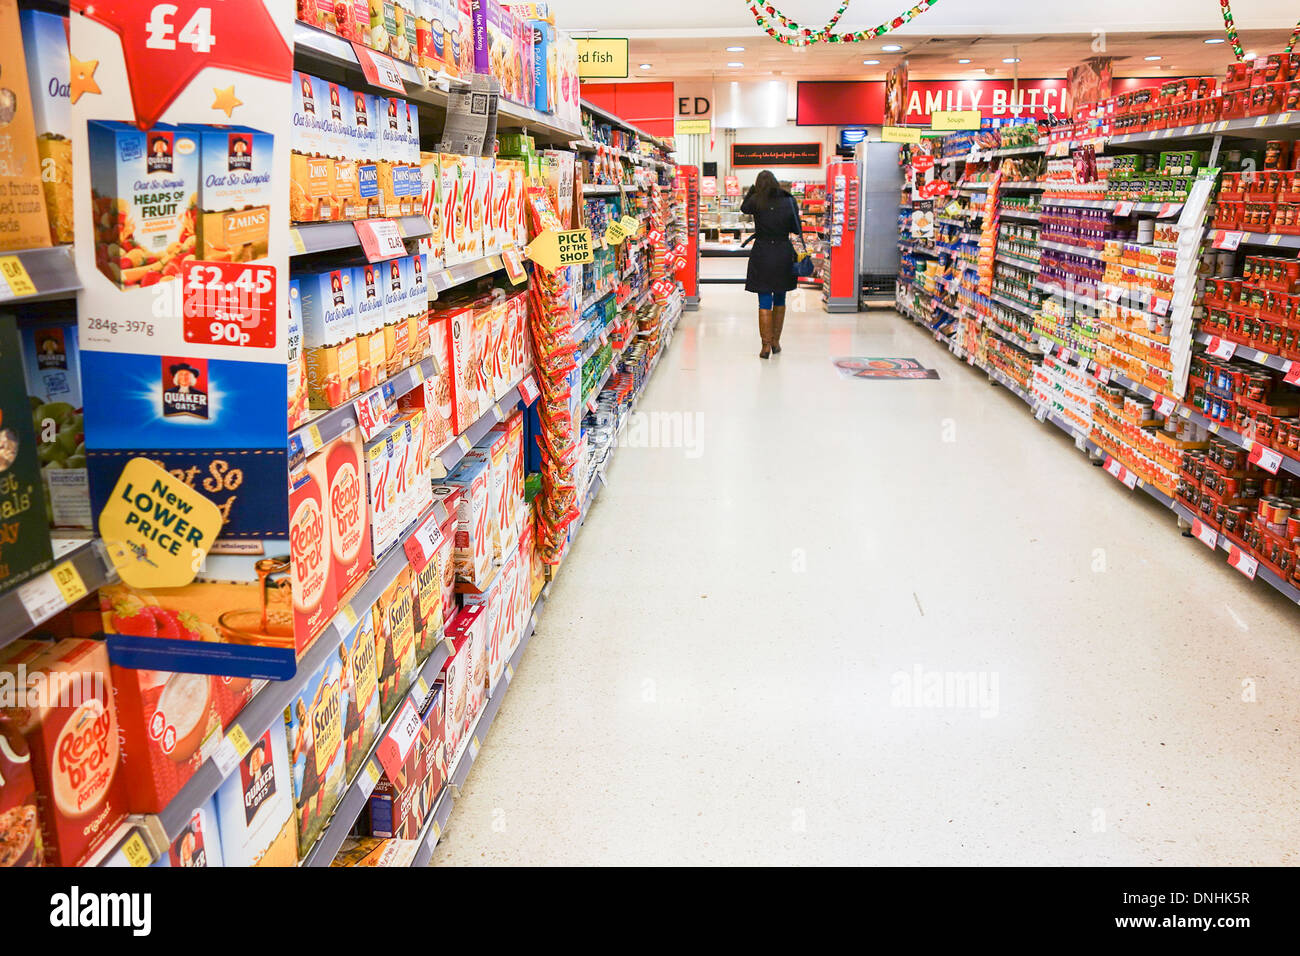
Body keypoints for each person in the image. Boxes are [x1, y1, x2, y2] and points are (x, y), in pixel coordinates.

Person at [741, 170, 801, 358]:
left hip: (763, 253)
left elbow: (744, 207)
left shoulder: (757, 200)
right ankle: (776, 342)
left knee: (764, 297)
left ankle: (765, 346)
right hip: (783, 252)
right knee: (780, 297)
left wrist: (752, 190)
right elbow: (797, 229)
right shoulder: (789, 200)